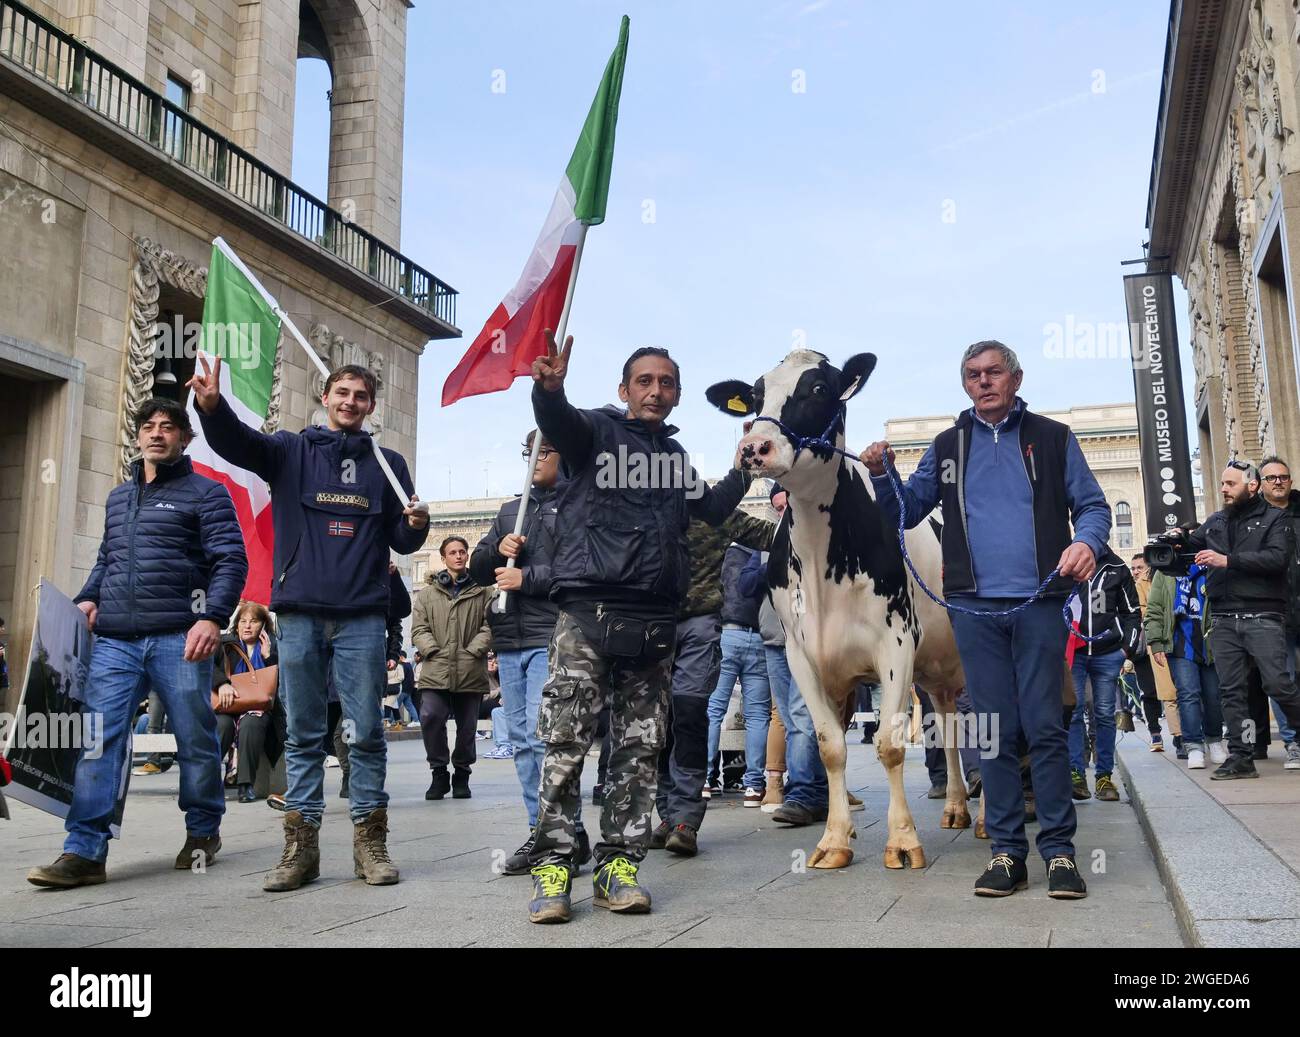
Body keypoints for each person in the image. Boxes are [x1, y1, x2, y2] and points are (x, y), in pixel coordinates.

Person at [862, 339, 1110, 900]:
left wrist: (1088, 542)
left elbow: (1092, 505)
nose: (984, 382)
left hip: (1040, 602)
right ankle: (1005, 852)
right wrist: (883, 476)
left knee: (1045, 728)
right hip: (972, 608)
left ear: (1016, 378)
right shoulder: (948, 445)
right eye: (973, 374)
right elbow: (906, 513)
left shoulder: (1051, 438)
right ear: (964, 383)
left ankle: (1061, 854)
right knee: (992, 732)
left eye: (994, 372)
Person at [524, 331, 751, 923]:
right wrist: (549, 390)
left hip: (654, 622)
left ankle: (618, 867)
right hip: (587, 616)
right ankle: (553, 870)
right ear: (624, 390)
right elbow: (560, 422)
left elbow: (711, 508)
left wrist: (743, 468)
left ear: (676, 395)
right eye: (644, 381)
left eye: (666, 382)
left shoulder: (675, 461)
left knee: (638, 749)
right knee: (565, 742)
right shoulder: (594, 434)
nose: (656, 390)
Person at [191, 359, 429, 890]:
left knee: (366, 732)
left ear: (372, 406)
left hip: (364, 616)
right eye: (342, 392)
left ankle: (371, 842)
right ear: (325, 397)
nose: (350, 401)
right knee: (301, 733)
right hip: (298, 613)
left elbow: (403, 538)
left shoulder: (387, 464)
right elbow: (238, 443)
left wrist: (418, 524)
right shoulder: (289, 451)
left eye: (361, 395)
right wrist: (212, 408)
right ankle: (301, 848)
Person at [27, 398, 247, 888]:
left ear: (185, 438)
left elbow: (231, 560)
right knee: (98, 740)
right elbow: (108, 559)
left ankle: (202, 830)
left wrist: (211, 617)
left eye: (168, 427)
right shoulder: (118, 498)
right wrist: (88, 598)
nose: (157, 434)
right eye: (148, 426)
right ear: (138, 435)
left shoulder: (207, 494)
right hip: (115, 642)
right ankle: (85, 850)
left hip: (180, 638)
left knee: (194, 739)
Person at [468, 430, 586, 872]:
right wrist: (496, 550)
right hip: (509, 637)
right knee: (520, 742)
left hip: (551, 634)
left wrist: (529, 578)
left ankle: (562, 836)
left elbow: (582, 569)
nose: (534, 459)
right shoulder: (509, 511)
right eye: (528, 452)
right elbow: (480, 568)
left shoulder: (578, 505)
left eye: (544, 451)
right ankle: (543, 833)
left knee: (548, 739)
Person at [651, 508, 772, 854]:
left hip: (699, 626)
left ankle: (686, 819)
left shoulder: (715, 507)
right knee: (659, 722)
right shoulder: (644, 505)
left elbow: (773, 537)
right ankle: (669, 814)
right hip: (651, 626)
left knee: (689, 716)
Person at [1173, 461, 1300, 779]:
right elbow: (1189, 550)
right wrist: (1175, 542)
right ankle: (1242, 756)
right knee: (1233, 692)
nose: (1223, 489)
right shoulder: (1215, 522)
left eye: (1230, 483)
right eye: (1222, 483)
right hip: (1224, 619)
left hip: (1264, 617)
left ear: (1252, 485)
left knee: (1278, 685)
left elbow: (1276, 558)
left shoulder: (1276, 518)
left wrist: (1227, 561)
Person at [738, 485, 830, 826]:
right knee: (792, 720)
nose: (781, 511)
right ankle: (816, 790)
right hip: (775, 641)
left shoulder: (818, 536)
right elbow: (745, 585)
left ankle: (803, 791)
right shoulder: (767, 543)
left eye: (785, 505)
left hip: (808, 640)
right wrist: (774, 564)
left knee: (802, 715)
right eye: (776, 507)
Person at [411, 536, 492, 800]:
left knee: (467, 727)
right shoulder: (426, 594)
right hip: (436, 668)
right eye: (452, 552)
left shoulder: (483, 591)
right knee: (430, 716)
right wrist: (433, 649)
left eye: (462, 551)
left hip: (470, 669)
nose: (458, 556)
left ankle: (462, 774)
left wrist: (473, 650)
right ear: (443, 558)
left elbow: (490, 626)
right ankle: (438, 772)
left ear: (467, 556)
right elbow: (419, 629)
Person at [1066, 547, 1141, 803]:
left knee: (1105, 714)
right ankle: (1076, 772)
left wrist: (1126, 650)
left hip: (1108, 653)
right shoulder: (1067, 560)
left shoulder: (1118, 568)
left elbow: (1132, 612)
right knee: (1073, 712)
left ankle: (1104, 775)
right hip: (1073, 652)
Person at [703, 541, 773, 807]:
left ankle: (705, 781)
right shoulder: (761, 553)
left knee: (714, 710)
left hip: (726, 634)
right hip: (758, 637)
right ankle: (753, 786)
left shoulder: (721, 554)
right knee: (757, 716)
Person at [1144, 547, 1225, 771]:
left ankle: (1215, 740)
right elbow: (1155, 609)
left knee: (1213, 695)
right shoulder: (1165, 571)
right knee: (1188, 694)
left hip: (1210, 641)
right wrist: (1156, 642)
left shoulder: (1212, 566)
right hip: (1180, 643)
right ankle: (1193, 745)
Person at [213, 601, 286, 804]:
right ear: (236, 624)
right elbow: (207, 667)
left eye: (253, 621)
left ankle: (245, 785)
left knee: (251, 723)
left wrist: (268, 656)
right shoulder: (225, 644)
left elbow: (283, 682)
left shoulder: (274, 646)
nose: (247, 626)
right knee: (222, 725)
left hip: (259, 708)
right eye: (243, 621)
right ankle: (208, 783)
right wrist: (222, 684)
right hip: (227, 705)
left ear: (263, 625)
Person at [1260, 456, 1300, 750]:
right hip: (1274, 613)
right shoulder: (1252, 519)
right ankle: (1292, 741)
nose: (1278, 482)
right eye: (1271, 478)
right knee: (1281, 679)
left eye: (1283, 477)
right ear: (1261, 484)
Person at [1128, 553, 1179, 753]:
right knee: (1149, 692)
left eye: (1139, 567)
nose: (1136, 572)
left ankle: (1180, 735)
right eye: (1133, 568)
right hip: (1143, 647)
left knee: (1172, 691)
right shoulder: (1135, 587)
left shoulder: (1161, 579)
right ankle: (1155, 733)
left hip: (1163, 643)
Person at [396, 651, 420, 728]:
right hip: (409, 690)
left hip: (402, 689)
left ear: (401, 657)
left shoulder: (401, 666)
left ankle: (390, 721)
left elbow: (400, 678)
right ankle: (416, 720)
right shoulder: (409, 665)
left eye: (397, 657)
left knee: (395, 705)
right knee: (409, 705)